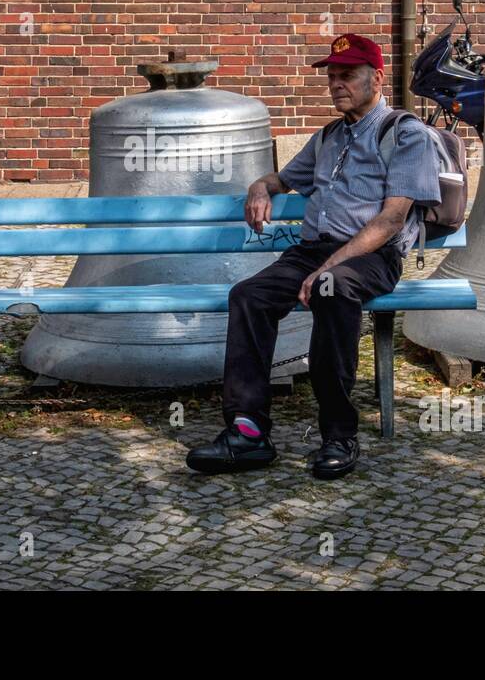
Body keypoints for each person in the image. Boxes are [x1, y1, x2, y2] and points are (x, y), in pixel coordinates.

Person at [185, 33, 443, 480]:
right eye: (332, 77)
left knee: (330, 288)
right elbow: (281, 179)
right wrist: (259, 187)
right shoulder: (328, 136)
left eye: (348, 75)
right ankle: (248, 433)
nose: (336, 84)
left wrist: (328, 267)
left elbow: (392, 221)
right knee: (249, 296)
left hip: (370, 256)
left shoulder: (406, 135)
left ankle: (339, 436)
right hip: (312, 251)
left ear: (377, 78)